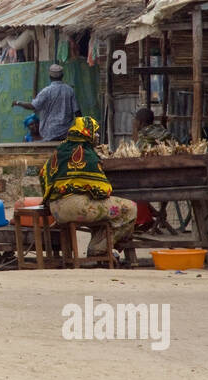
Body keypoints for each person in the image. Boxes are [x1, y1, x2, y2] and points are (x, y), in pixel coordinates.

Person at [38, 116, 138, 258]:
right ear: (87, 134)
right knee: (130, 208)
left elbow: (42, 174)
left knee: (100, 211)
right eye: (95, 132)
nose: (97, 136)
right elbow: (103, 191)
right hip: (75, 208)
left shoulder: (59, 150)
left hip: (56, 210)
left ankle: (99, 246)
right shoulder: (87, 155)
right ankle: (98, 249)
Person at [12, 63, 80, 141]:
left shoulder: (46, 92)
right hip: (66, 133)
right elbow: (77, 112)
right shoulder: (69, 90)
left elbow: (33, 106)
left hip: (49, 133)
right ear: (62, 76)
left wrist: (18, 103)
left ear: (50, 77)